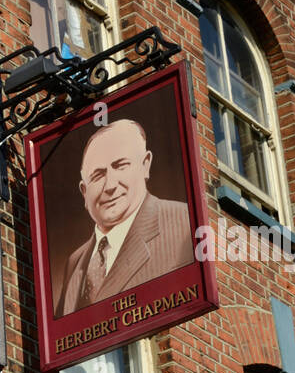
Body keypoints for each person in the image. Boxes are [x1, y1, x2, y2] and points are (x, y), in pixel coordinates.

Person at [52, 119, 195, 319]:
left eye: (120, 166)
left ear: (145, 165)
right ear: (84, 192)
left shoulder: (185, 224)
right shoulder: (74, 262)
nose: (110, 185)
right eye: (97, 175)